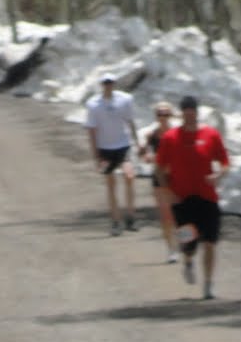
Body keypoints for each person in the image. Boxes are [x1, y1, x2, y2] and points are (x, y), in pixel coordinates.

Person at [155, 94, 230, 300]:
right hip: (182, 200)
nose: (190, 115)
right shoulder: (171, 138)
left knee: (211, 242)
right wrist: (168, 192)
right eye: (186, 112)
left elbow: (225, 162)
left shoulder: (210, 135)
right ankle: (188, 260)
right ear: (182, 114)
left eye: (193, 111)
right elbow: (159, 169)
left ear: (197, 112)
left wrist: (219, 175)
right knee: (189, 244)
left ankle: (208, 285)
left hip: (207, 197)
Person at [85, 73, 138, 235]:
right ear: (102, 85)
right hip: (105, 149)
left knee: (129, 177)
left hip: (123, 145)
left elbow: (130, 121)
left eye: (111, 82)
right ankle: (116, 221)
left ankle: (131, 216)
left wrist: (138, 142)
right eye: (106, 83)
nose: (108, 85)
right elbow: (92, 131)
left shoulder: (124, 100)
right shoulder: (94, 104)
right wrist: (96, 155)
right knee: (111, 184)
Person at [140, 101, 179, 262]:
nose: (162, 117)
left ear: (170, 115)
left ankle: (182, 243)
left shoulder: (177, 134)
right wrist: (146, 156)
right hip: (159, 178)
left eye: (166, 114)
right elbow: (143, 155)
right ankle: (171, 249)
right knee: (166, 216)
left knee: (179, 214)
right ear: (156, 116)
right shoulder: (151, 135)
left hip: (177, 177)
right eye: (159, 114)